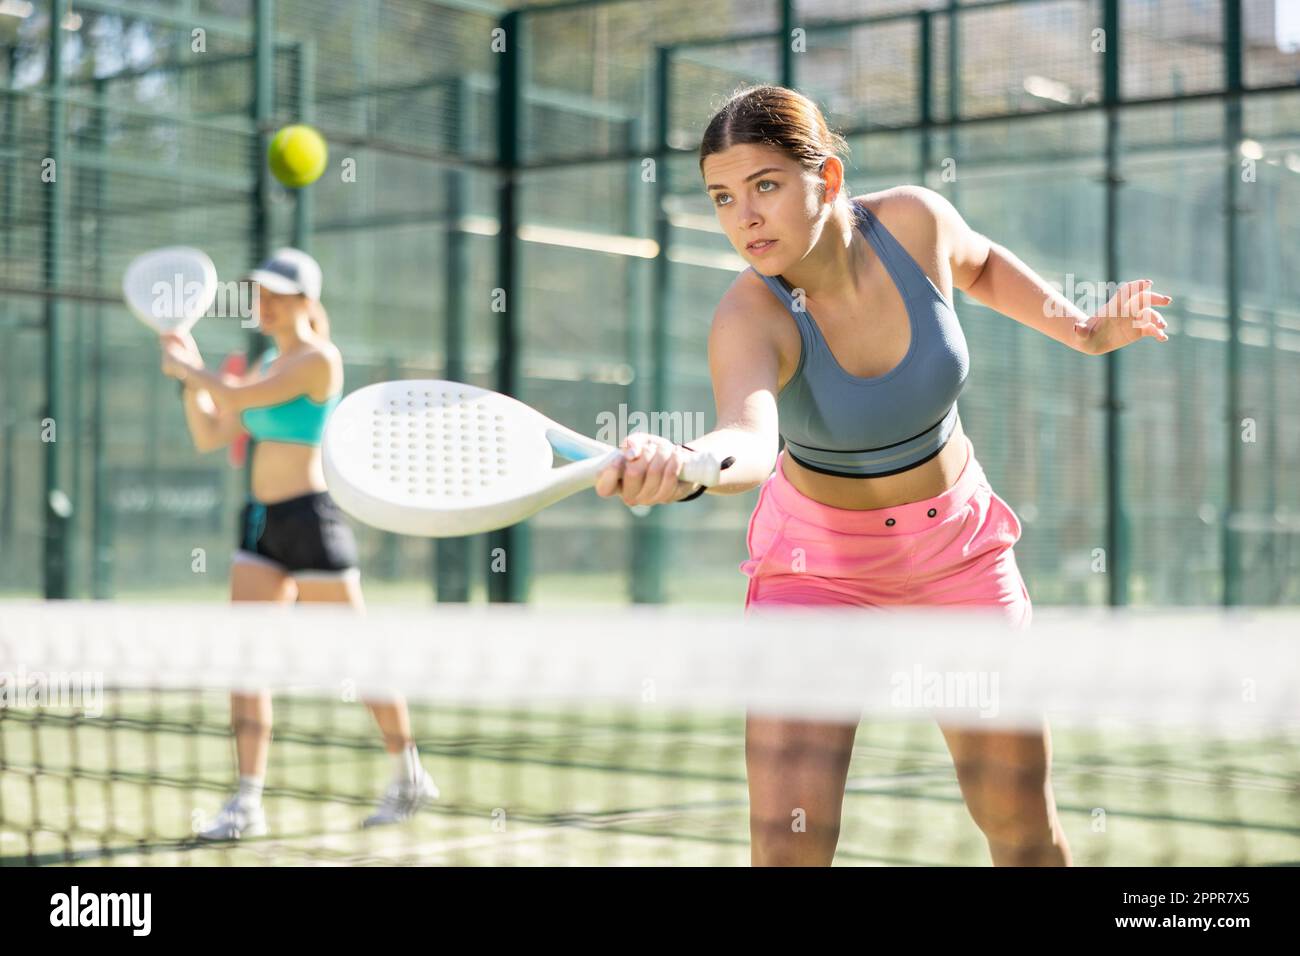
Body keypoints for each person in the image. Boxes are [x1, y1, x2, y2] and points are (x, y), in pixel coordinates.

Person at [595, 85, 1170, 866]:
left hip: (957, 555)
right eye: (722, 198)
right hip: (815, 572)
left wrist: (1084, 329)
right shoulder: (748, 317)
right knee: (788, 845)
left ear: (827, 179)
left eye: (765, 186)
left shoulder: (914, 222)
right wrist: (693, 467)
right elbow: (750, 440)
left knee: (1020, 825)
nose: (744, 218)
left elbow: (982, 264)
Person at [159, 247, 439, 839]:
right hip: (261, 524)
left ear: (306, 302)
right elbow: (212, 430)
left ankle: (409, 774)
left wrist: (196, 371)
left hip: (312, 521)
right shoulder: (263, 363)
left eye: (276, 294)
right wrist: (187, 380)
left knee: (358, 658)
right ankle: (246, 803)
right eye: (259, 293)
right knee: (245, 661)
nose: (263, 303)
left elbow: (231, 399)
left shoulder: (319, 361)